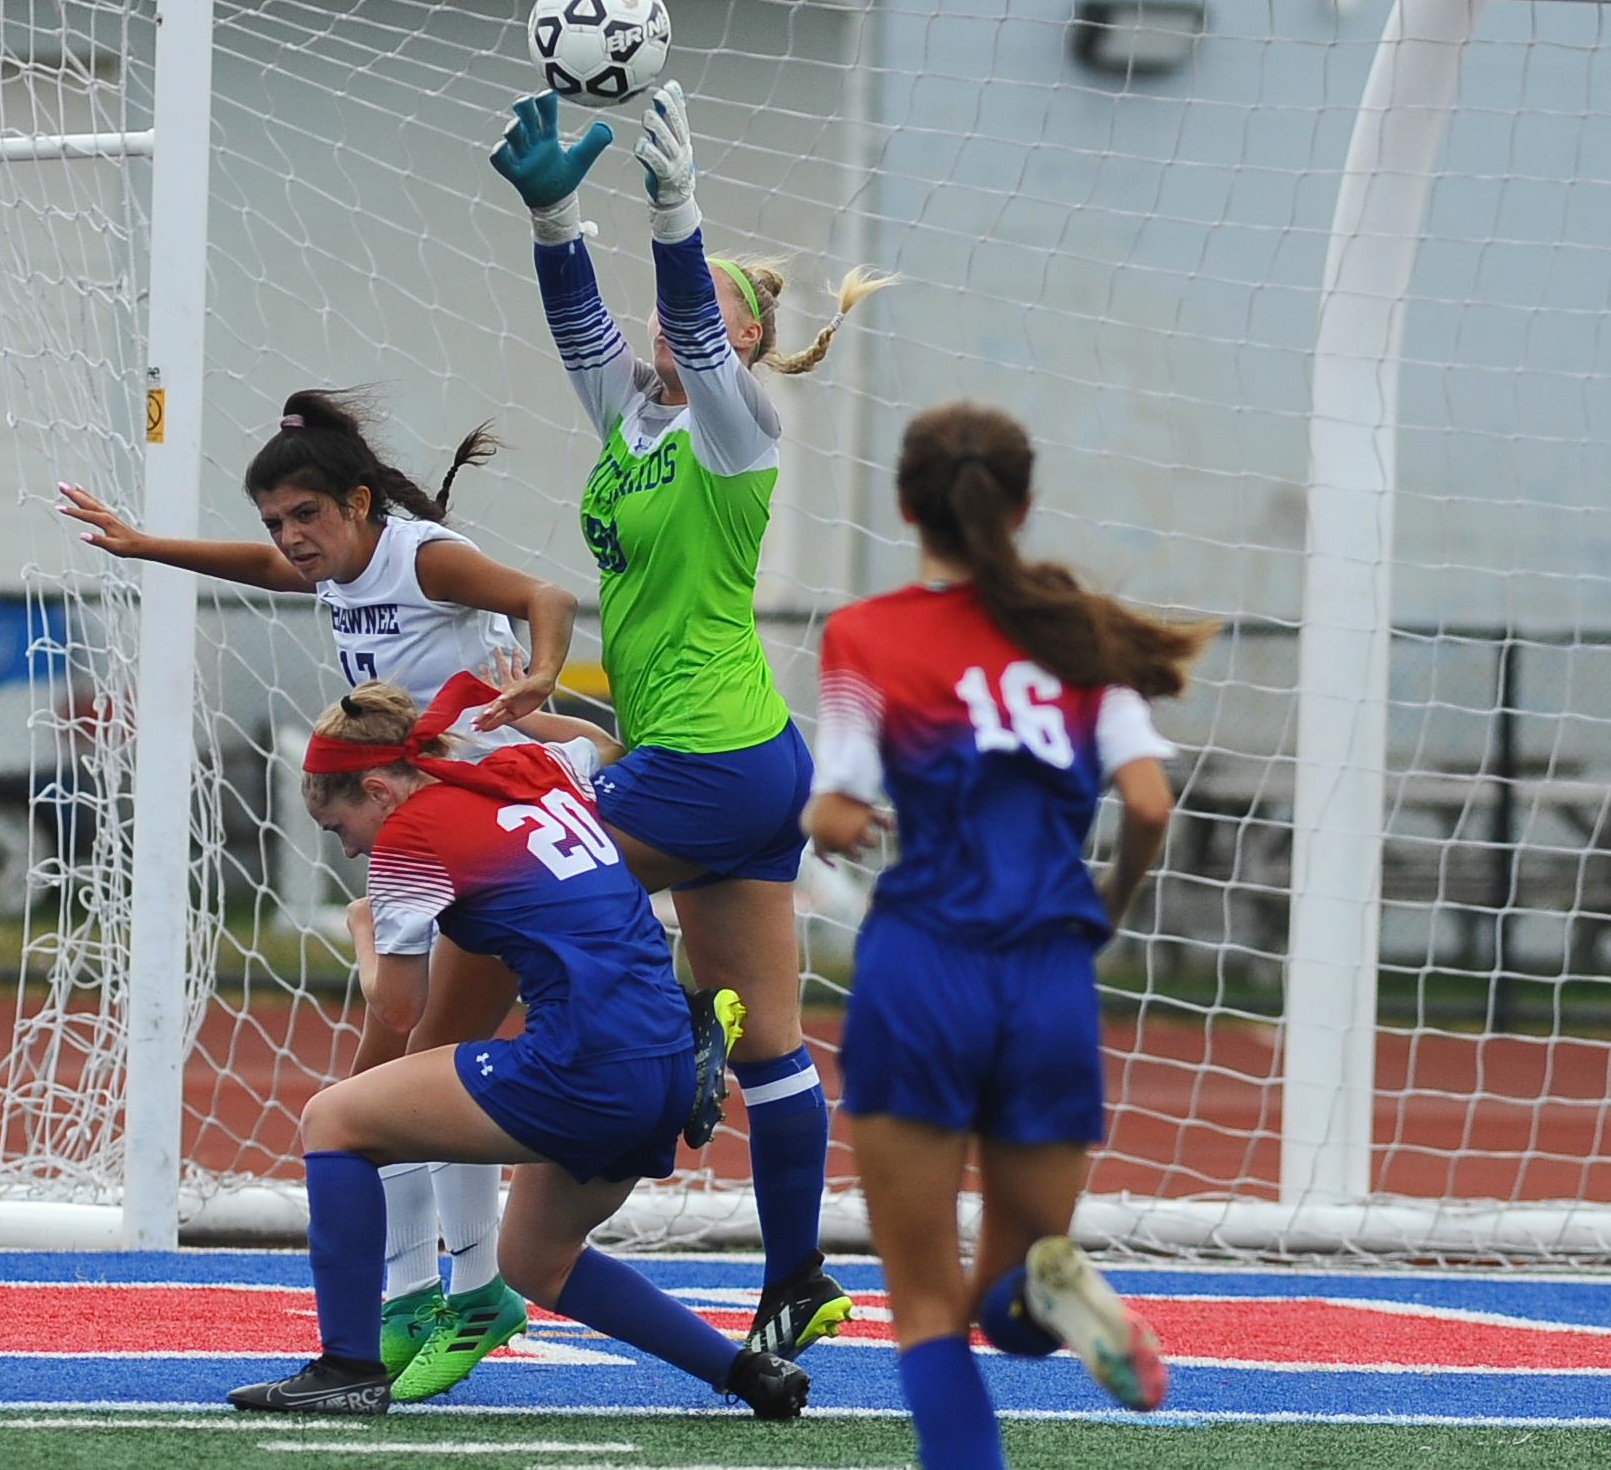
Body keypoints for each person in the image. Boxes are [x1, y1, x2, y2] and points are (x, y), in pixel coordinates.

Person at [59, 390, 598, 1402]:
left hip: (495, 824)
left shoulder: (423, 558)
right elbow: (265, 567)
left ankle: (463, 1288)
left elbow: (548, 594)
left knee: (400, 1074)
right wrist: (143, 545)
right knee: (413, 1074)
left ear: (358, 503)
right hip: (434, 832)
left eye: (304, 515)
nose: (289, 539)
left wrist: (537, 677)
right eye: (275, 521)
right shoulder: (336, 568)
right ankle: (431, 1293)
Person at [489, 83, 894, 1360]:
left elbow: (698, 334)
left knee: (527, 880)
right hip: (739, 761)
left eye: (705, 307)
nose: (674, 319)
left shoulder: (738, 426)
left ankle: (666, 1036)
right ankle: (797, 1276)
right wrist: (555, 220)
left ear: (746, 337)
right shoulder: (636, 418)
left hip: (711, 757)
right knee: (773, 1046)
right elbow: (578, 324)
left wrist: (677, 210)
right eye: (674, 301)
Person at [801, 403, 1215, 1470]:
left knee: (926, 1305)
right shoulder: (1075, 630)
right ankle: (1049, 1291)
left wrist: (848, 818)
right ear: (1022, 506)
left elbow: (834, 816)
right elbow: (1150, 804)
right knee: (1009, 1290)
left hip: (922, 965)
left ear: (906, 507)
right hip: (1047, 976)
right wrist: (1104, 908)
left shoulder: (866, 634)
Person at [227, 679, 806, 1418]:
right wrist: (527, 715)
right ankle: (748, 1373)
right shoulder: (531, 769)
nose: (348, 846)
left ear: (377, 788)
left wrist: (365, 932)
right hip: (667, 1056)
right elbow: (601, 748)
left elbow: (400, 1009)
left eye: (339, 826)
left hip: (587, 1062)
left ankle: (346, 1367)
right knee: (536, 1259)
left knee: (331, 1120)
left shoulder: (408, 836)